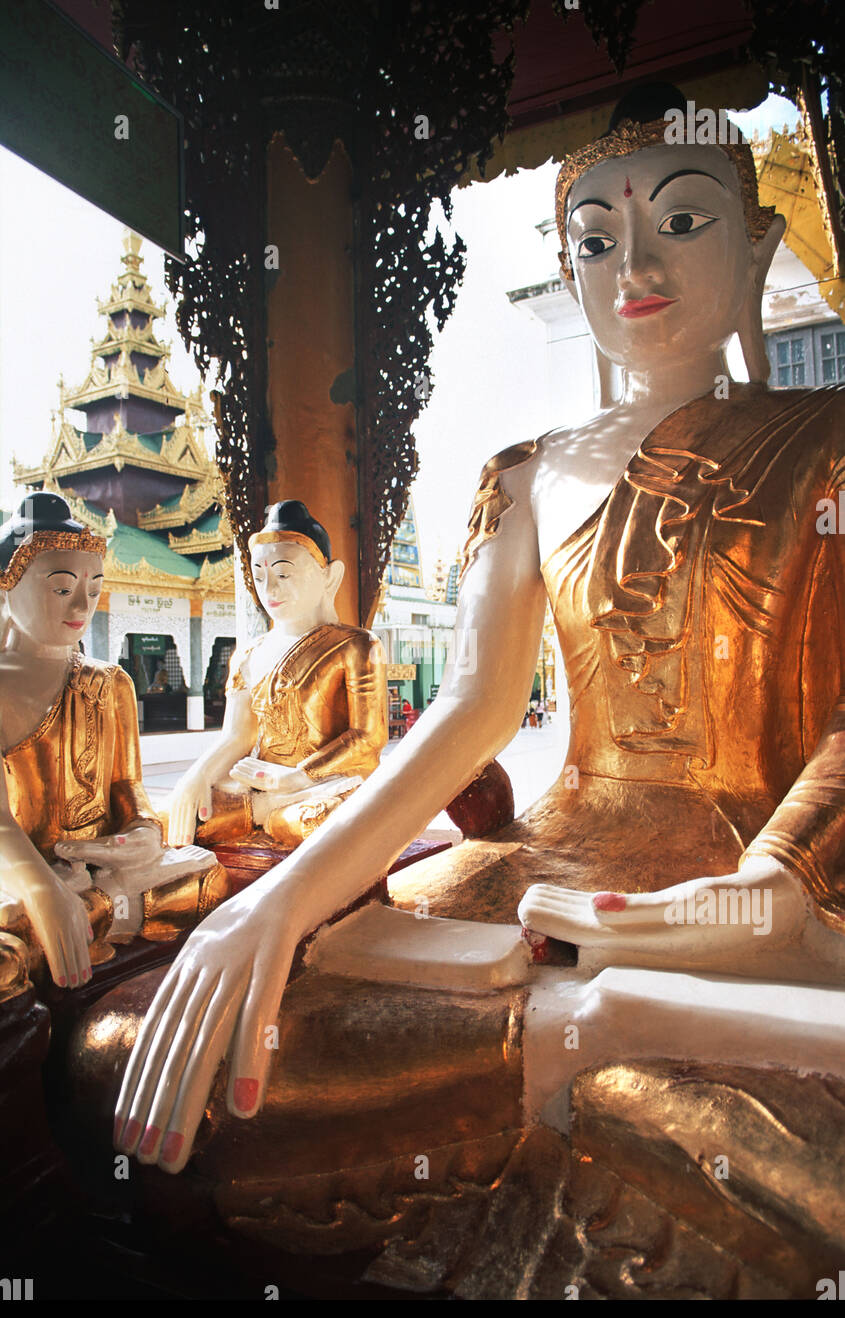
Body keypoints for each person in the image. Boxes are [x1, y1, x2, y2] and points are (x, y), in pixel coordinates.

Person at [108, 83, 845, 1174]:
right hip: (548, 858)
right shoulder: (524, 472)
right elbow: (469, 711)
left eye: (681, 223)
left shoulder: (826, 435)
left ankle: (599, 1059)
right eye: (595, 242)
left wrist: (777, 882)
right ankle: (587, 1063)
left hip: (754, 864)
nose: (634, 269)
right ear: (566, 273)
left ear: (758, 247)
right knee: (118, 1049)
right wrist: (281, 895)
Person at [0, 493, 227, 989]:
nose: (82, 605)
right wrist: (43, 890)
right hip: (22, 877)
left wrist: (138, 836)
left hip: (105, 868)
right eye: (62, 587)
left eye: (94, 587)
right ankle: (82, 916)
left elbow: (129, 790)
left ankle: (90, 913)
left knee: (208, 877)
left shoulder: (110, 683)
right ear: (5, 589)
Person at [166, 499, 387, 850]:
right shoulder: (250, 653)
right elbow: (237, 737)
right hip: (262, 785)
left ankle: (262, 813)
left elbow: (368, 738)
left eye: (283, 574)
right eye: (259, 576)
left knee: (319, 821)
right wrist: (196, 777)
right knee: (177, 815)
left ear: (330, 576)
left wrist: (297, 777)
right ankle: (261, 813)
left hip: (326, 785)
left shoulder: (357, 645)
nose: (269, 589)